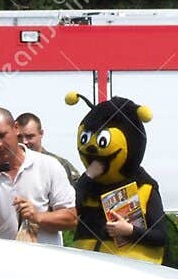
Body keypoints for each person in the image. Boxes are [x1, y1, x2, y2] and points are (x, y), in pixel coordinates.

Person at [65, 92, 167, 263]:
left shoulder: (145, 187)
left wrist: (130, 231)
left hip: (131, 269)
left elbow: (161, 236)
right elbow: (68, 211)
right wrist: (88, 176)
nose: (92, 147)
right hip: (88, 267)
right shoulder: (88, 187)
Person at [0, 108, 76, 245]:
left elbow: (72, 218)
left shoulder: (48, 165)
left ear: (16, 128)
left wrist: (38, 217)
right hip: (0, 257)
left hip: (44, 256)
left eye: (1, 135)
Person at [16, 112, 80, 183]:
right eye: (19, 137)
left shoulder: (60, 164)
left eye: (29, 136)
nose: (24, 141)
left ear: (41, 133)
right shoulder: (9, 167)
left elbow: (79, 188)